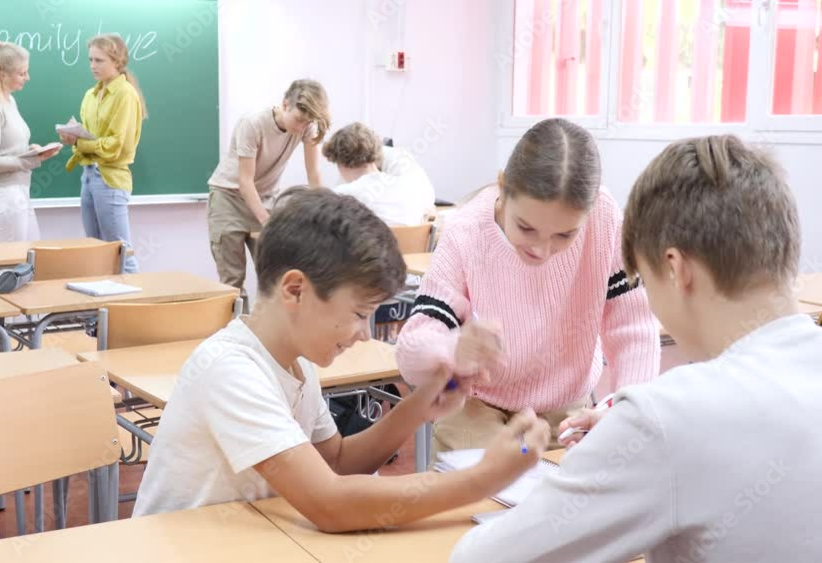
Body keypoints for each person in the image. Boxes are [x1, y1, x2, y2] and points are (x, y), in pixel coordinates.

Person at [451, 135, 822, 563]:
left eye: (642, 278)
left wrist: (623, 445)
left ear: (675, 268)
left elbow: (483, 559)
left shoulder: (667, 418)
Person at [132, 189, 551, 532]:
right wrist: (482, 480)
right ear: (294, 291)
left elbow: (334, 461)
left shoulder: (295, 361)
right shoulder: (231, 370)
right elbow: (329, 505)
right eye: (357, 315)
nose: (365, 334)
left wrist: (419, 405)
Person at [396, 118, 660, 455]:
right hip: (476, 406)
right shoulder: (466, 231)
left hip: (566, 406)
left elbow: (633, 327)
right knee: (476, 501)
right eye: (526, 227)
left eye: (565, 235)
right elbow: (409, 354)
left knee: (582, 498)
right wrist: (453, 348)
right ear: (503, 188)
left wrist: (625, 410)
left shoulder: (605, 217)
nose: (542, 249)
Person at [206, 79, 330, 299]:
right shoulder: (252, 123)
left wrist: (323, 214)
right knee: (232, 282)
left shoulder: (307, 127)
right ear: (284, 104)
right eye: (299, 120)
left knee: (276, 278)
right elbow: (245, 181)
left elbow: (314, 174)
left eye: (307, 122)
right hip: (229, 199)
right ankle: (239, 330)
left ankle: (269, 332)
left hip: (266, 198)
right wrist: (267, 221)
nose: (301, 127)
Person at [60, 34, 146, 272]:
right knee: (97, 252)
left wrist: (81, 144)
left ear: (116, 62)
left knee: (121, 253)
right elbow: (91, 136)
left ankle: (132, 308)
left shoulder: (125, 94)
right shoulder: (90, 95)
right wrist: (73, 138)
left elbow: (115, 145)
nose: (93, 66)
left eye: (99, 60)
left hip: (110, 178)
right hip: (88, 176)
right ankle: (102, 308)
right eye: (90, 60)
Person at [0, 39, 59, 242]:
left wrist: (32, 151)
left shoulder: (9, 101)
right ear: (2, 75)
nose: (27, 77)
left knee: (28, 263)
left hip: (18, 193)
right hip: (4, 195)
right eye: (22, 73)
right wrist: (33, 160)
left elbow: (9, 149)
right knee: (9, 267)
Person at [323, 122, 435, 226]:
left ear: (340, 162)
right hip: (413, 246)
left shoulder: (341, 195)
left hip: (370, 247)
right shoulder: (412, 189)